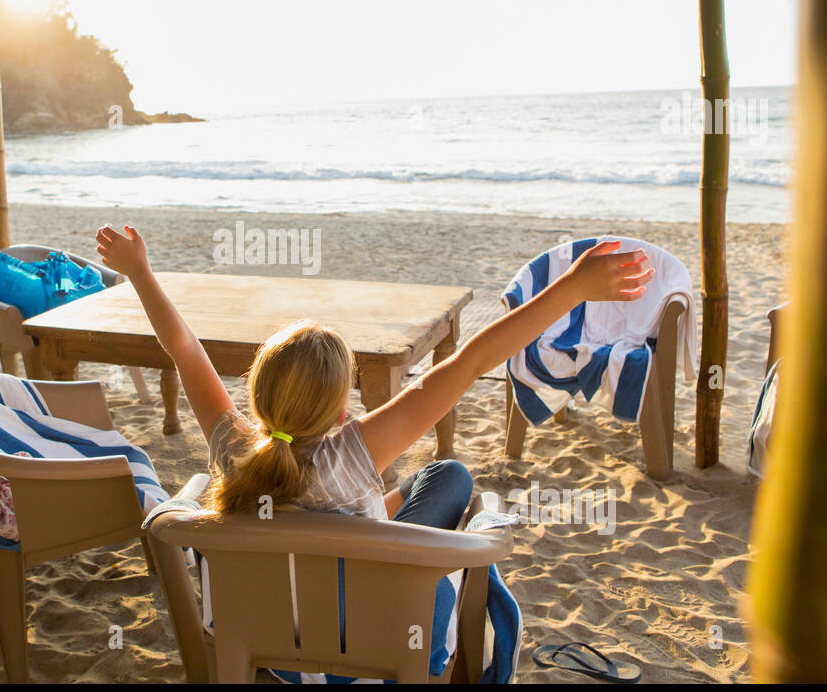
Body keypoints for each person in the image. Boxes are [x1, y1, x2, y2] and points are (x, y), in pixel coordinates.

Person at [94, 224, 653, 532]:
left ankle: (372, 510)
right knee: (451, 477)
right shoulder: (356, 453)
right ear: (342, 414)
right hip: (358, 635)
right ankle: (371, 514)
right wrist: (574, 289)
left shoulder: (233, 449)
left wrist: (140, 272)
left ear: (258, 397)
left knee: (404, 489)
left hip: (269, 632)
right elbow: (470, 363)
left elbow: (184, 348)